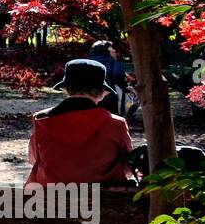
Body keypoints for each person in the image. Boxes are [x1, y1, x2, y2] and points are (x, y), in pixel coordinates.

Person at [27, 58, 134, 186]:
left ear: (66, 88)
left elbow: (34, 159)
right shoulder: (116, 124)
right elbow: (128, 168)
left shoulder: (41, 119)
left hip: (52, 198)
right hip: (104, 199)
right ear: (102, 92)